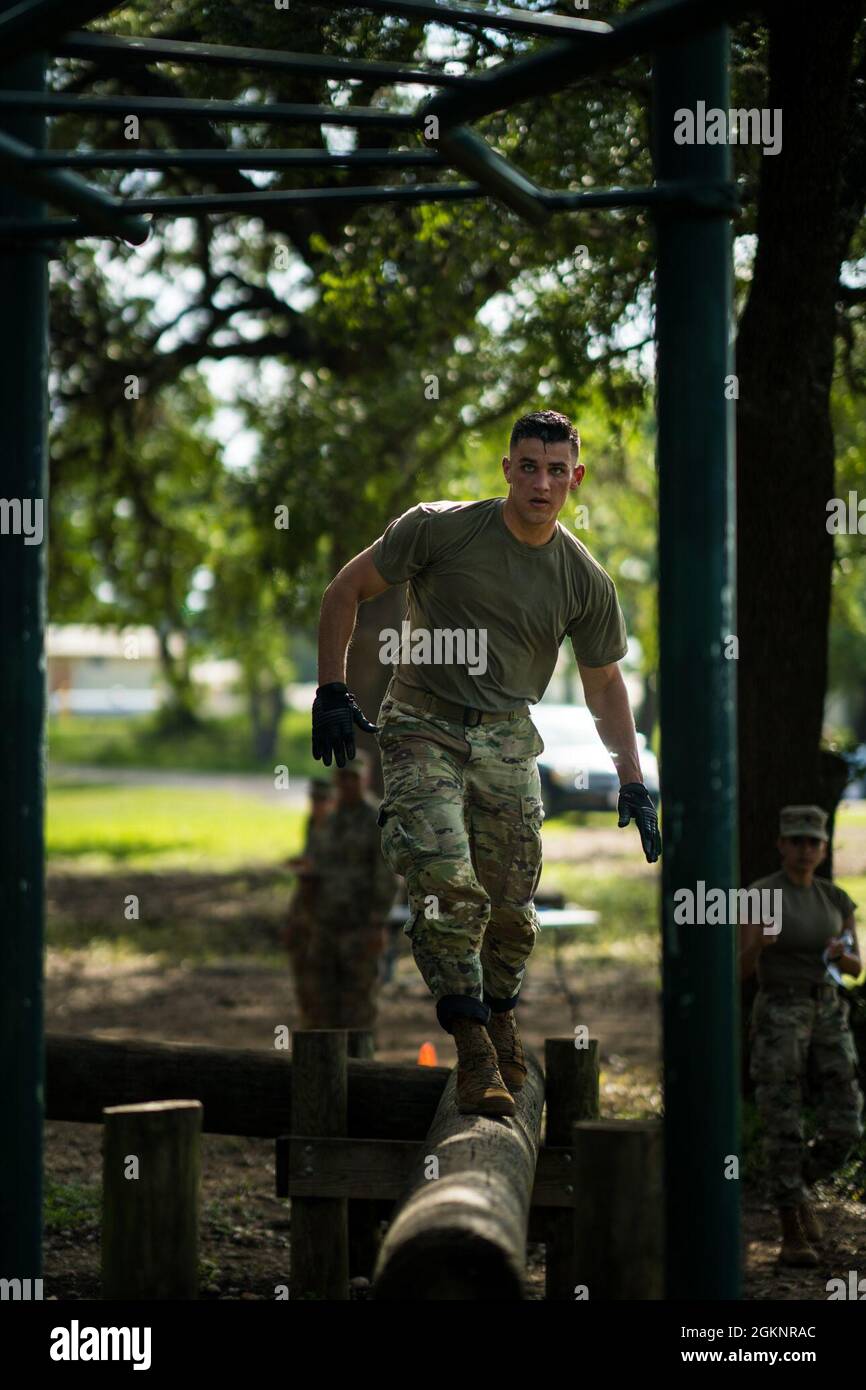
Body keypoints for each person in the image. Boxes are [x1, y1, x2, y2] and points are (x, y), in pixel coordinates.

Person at [312, 409, 661, 1116]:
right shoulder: (440, 528)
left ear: (575, 478)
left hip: (508, 737)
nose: (541, 482)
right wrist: (332, 690)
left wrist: (632, 778)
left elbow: (603, 682)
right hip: (421, 727)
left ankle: (500, 1014)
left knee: (511, 912)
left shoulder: (583, 579)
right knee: (446, 882)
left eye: (556, 470)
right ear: (507, 469)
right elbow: (345, 590)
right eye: (528, 466)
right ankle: (471, 1045)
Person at [740, 804, 863, 1267]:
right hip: (779, 1012)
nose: (805, 849)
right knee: (782, 1117)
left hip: (827, 1009)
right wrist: (759, 945)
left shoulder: (836, 900)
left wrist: (841, 954)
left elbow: (854, 967)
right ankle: (791, 1226)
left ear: (824, 847)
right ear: (781, 844)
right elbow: (737, 970)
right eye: (796, 840)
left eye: (813, 841)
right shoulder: (758, 895)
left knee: (847, 1122)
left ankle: (798, 1185)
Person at [303, 753, 399, 1033]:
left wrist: (376, 924)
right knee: (321, 1001)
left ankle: (360, 1068)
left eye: (353, 778)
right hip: (325, 924)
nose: (347, 784)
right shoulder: (328, 819)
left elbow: (387, 877)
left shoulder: (377, 819)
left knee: (358, 1005)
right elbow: (316, 864)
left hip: (360, 927)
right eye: (342, 777)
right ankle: (323, 1069)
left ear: (365, 779)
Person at [283, 777, 333, 1027]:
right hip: (306, 906)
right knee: (302, 967)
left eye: (322, 800)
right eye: (314, 800)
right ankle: (309, 1020)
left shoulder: (340, 829)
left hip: (330, 910)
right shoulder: (313, 824)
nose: (318, 805)